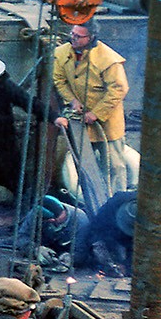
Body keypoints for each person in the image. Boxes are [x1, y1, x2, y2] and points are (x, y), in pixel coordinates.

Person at [52, 18, 129, 194]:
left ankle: (118, 197)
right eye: (73, 34)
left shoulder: (108, 60)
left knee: (115, 165)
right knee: (84, 164)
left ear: (91, 38)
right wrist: (72, 100)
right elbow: (59, 80)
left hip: (107, 123)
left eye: (79, 36)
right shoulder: (61, 53)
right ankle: (89, 195)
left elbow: (119, 88)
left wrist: (97, 113)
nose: (74, 39)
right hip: (80, 121)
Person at [0, 51, 49, 199]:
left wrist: (53, 117)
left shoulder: (6, 87)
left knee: (14, 177)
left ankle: (25, 204)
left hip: (3, 142)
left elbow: (28, 102)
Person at [17, 194, 89, 266]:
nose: (52, 221)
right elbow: (22, 236)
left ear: (63, 209)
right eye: (48, 219)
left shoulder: (81, 220)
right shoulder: (36, 213)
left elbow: (82, 251)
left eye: (56, 217)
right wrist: (35, 249)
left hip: (65, 253)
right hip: (42, 249)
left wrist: (72, 258)